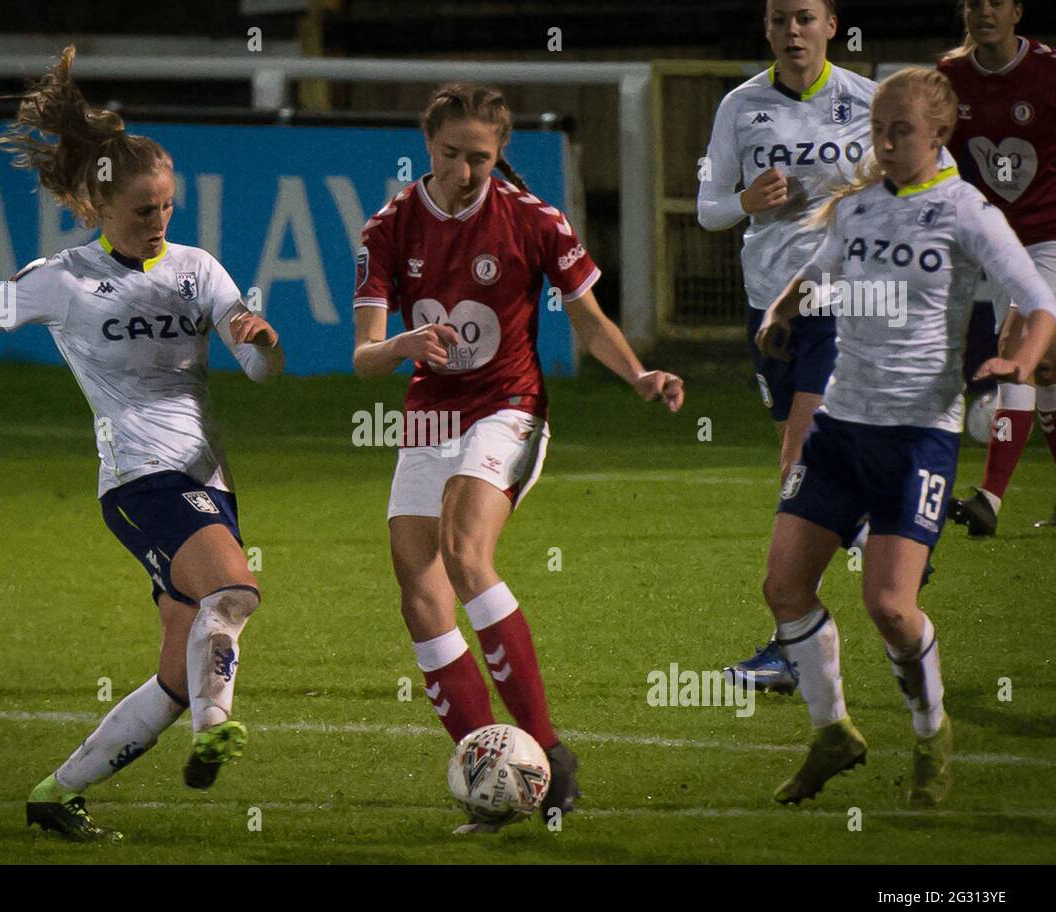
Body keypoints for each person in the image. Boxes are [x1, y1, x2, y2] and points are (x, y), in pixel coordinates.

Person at [0, 47, 285, 842]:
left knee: (179, 665)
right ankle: (216, 728)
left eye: (167, 206)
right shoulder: (61, 280)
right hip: (139, 480)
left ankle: (55, 793)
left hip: (208, 478)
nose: (159, 221)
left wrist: (261, 341)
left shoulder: (199, 270)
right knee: (231, 593)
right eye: (143, 210)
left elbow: (259, 368)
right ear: (99, 207)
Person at [351, 83, 684, 832]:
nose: (466, 172)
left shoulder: (533, 219)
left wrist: (638, 375)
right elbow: (366, 355)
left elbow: (591, 320)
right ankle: (491, 764)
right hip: (430, 415)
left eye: (481, 157)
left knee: (467, 549)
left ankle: (552, 750)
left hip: (510, 407)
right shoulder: (389, 227)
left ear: (501, 153)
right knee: (417, 581)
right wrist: (400, 345)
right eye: (450, 155)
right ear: (426, 145)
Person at [754, 67, 1055, 807]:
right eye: (878, 129)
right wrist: (781, 311)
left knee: (890, 605)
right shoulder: (856, 211)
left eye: (902, 131)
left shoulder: (966, 212)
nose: (885, 144)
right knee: (784, 586)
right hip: (839, 425)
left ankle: (930, 730)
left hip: (919, 433)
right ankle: (833, 732)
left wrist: (1020, 357)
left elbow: (1038, 295)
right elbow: (818, 269)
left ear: (940, 134)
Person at [699, 0, 879, 693]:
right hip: (767, 310)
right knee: (796, 468)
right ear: (768, 30)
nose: (792, 31)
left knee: (799, 457)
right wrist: (747, 200)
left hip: (840, 302)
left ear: (832, 25)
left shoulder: (865, 100)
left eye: (805, 17)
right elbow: (709, 206)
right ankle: (804, 629)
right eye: (780, 19)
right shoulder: (740, 106)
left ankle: (869, 532)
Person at [937, 0, 1056, 536]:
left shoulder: (1049, 72)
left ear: (1016, 12)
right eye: (974, 1)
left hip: (1052, 238)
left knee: (1014, 350)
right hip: (998, 245)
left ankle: (989, 497)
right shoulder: (949, 77)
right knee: (1046, 368)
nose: (984, 10)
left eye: (996, 1)